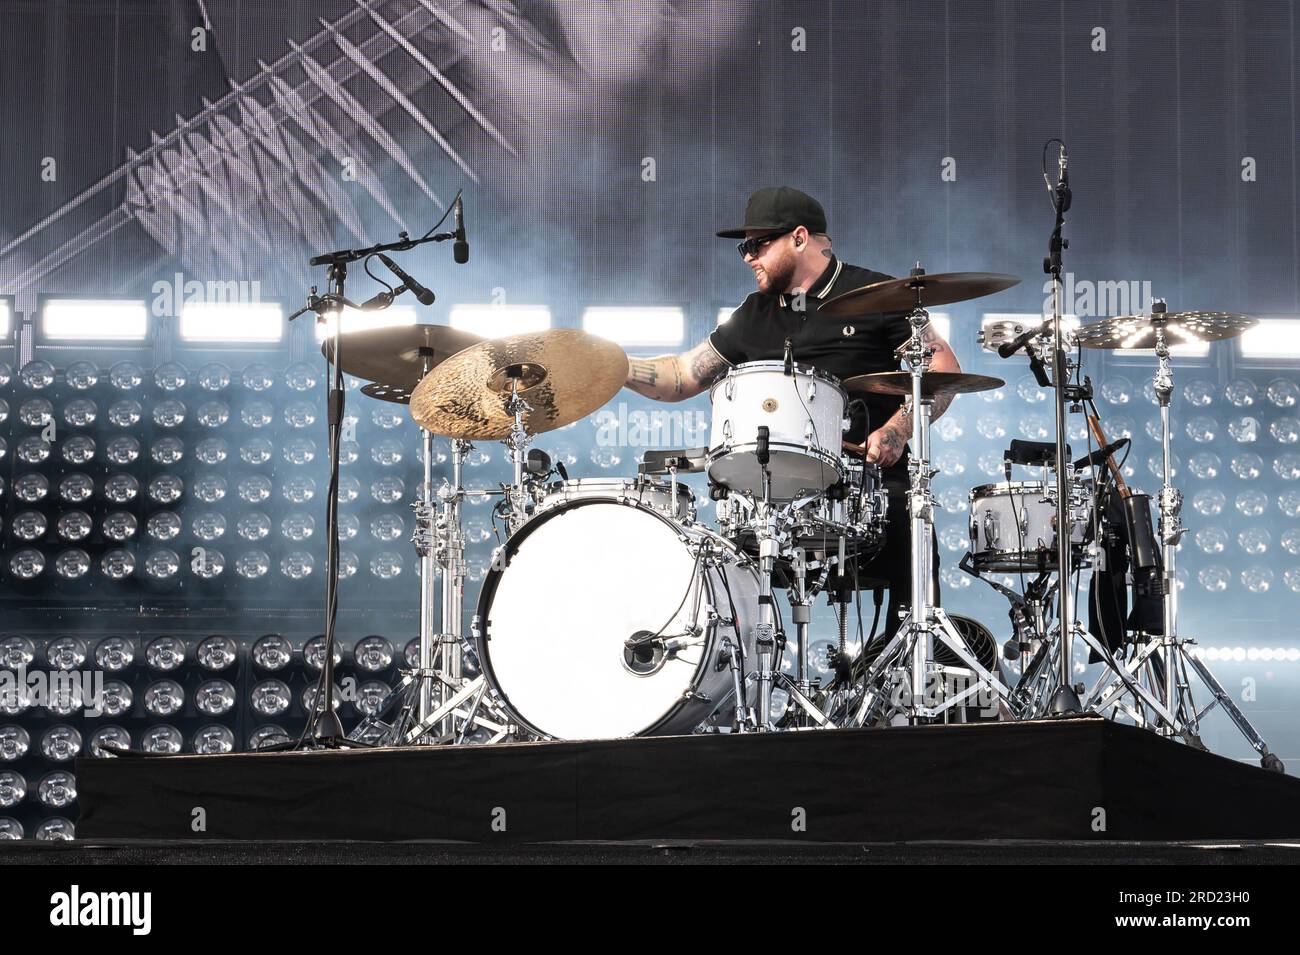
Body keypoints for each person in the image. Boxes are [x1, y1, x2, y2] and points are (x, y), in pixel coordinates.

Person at [623, 186, 962, 641]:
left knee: (909, 531)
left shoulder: (879, 294)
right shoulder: (754, 313)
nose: (747, 257)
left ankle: (905, 674)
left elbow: (943, 368)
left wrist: (897, 431)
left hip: (867, 487)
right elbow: (683, 376)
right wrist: (612, 368)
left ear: (799, 237)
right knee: (716, 563)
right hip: (772, 499)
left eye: (756, 244)